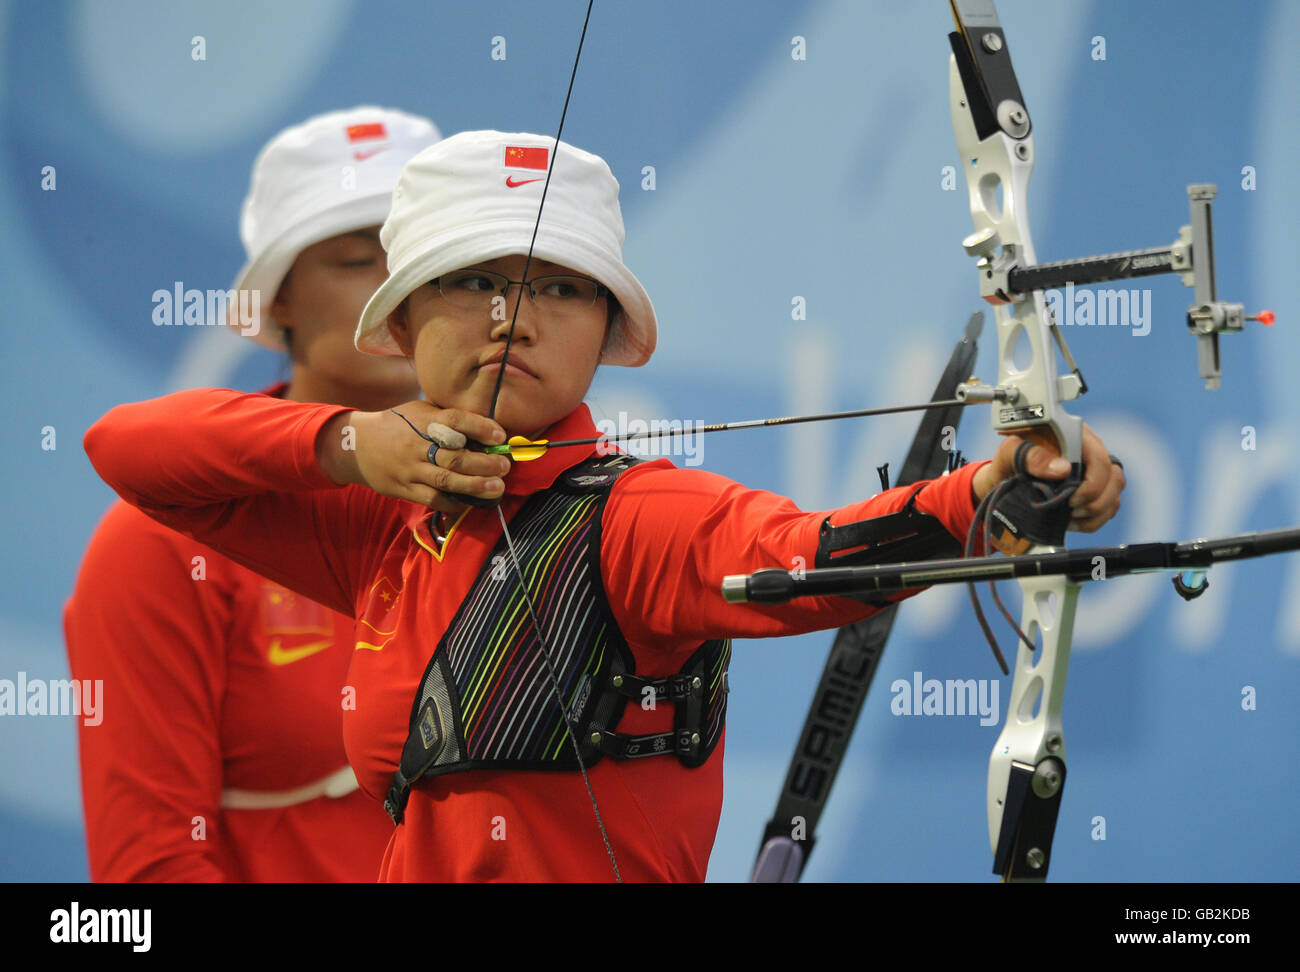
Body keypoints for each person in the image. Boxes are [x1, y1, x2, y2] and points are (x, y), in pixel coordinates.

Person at [84, 130, 1124, 882]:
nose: (512, 320)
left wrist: (992, 491)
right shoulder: (385, 525)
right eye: (474, 281)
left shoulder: (634, 518)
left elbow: (810, 558)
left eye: (560, 289)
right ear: (397, 324)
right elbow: (127, 451)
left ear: (602, 329)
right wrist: (349, 444)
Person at [65, 106, 441, 881]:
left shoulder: (523, 502)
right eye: (353, 261)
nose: (395, 293)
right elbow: (151, 868)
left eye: (422, 260)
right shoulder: (160, 537)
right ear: (277, 305)